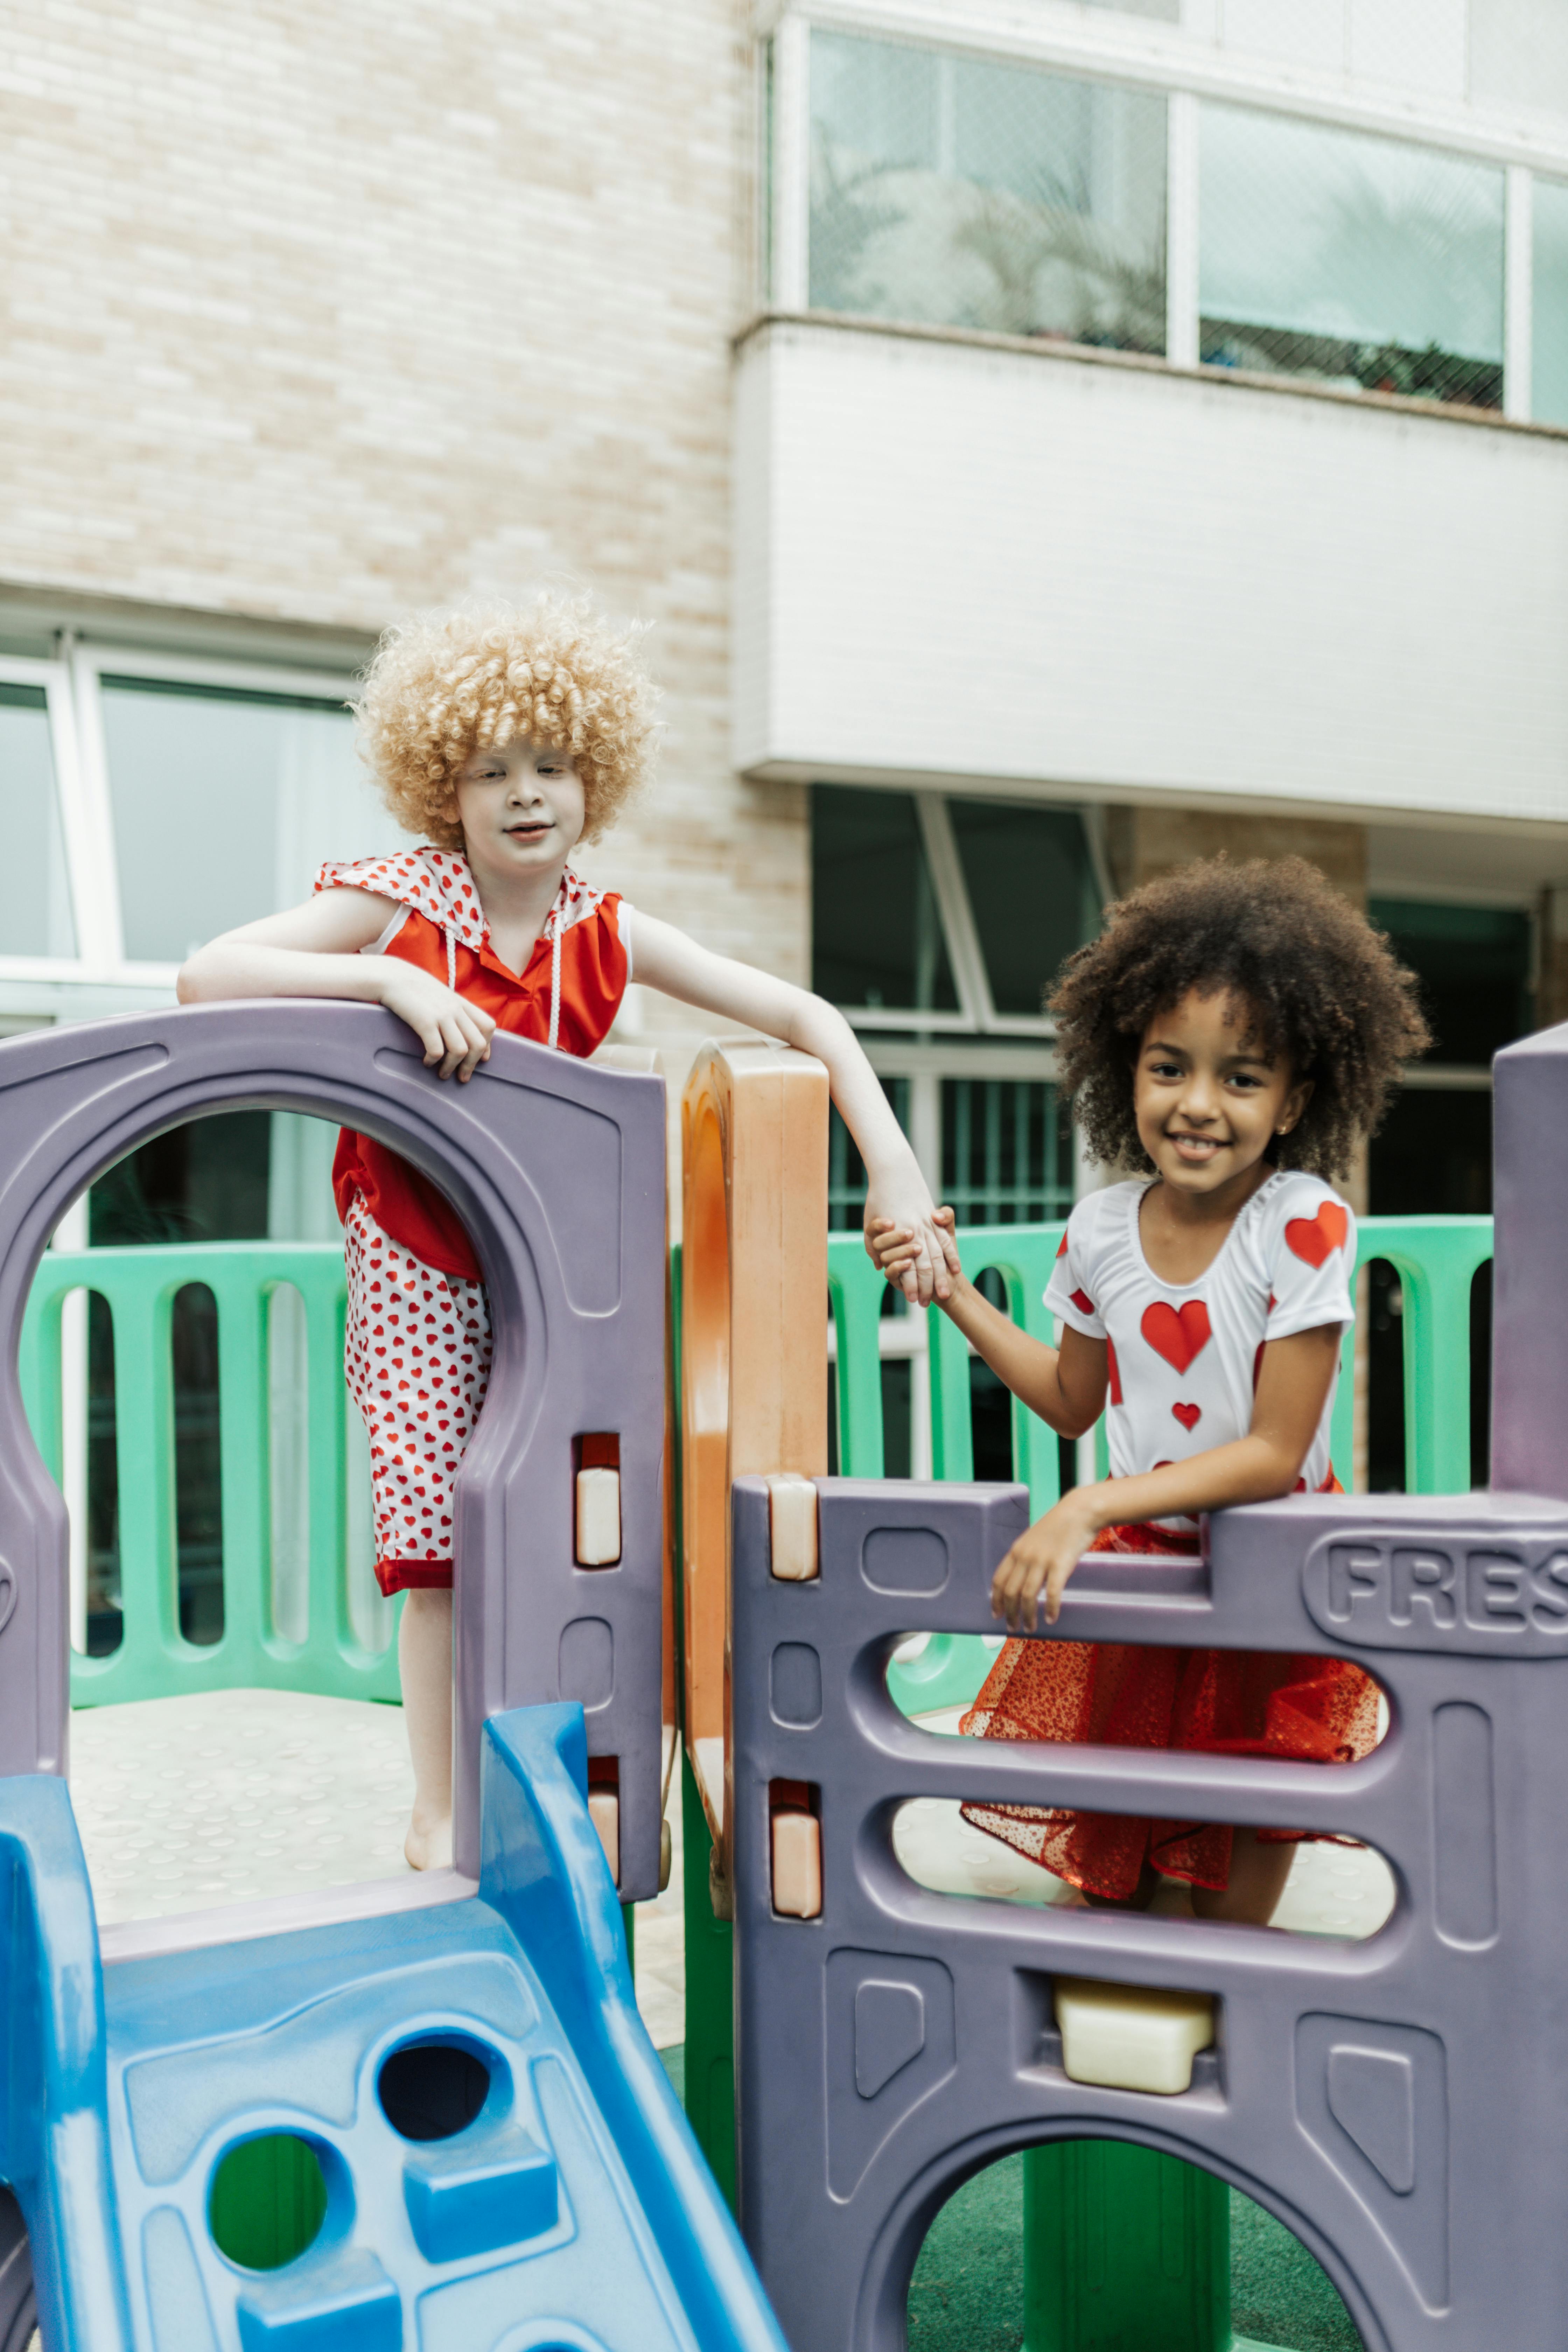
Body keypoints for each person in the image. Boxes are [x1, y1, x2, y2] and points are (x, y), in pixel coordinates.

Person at [179, 595, 956, 1871]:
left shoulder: (606, 931)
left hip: (546, 1260)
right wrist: (386, 976)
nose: (525, 795)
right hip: (417, 1251)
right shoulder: (405, 899)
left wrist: (892, 1166)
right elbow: (207, 972)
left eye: (551, 766)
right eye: (491, 771)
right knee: (430, 1545)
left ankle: (548, 1780)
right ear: (446, 789)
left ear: (594, 780)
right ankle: (435, 1810)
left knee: (561, 1518)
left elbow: (809, 1016)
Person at [872, 856, 1429, 1925]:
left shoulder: (1302, 1221)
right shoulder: (1098, 1230)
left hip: (1270, 1588)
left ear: (1296, 1100)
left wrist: (1085, 1505)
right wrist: (948, 1293)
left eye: (1243, 1077)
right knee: (1117, 1899)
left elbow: (1274, 1454)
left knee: (1229, 1916)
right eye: (1171, 1067)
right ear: (1125, 1070)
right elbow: (1072, 1399)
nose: (1200, 1105)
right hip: (1148, 1593)